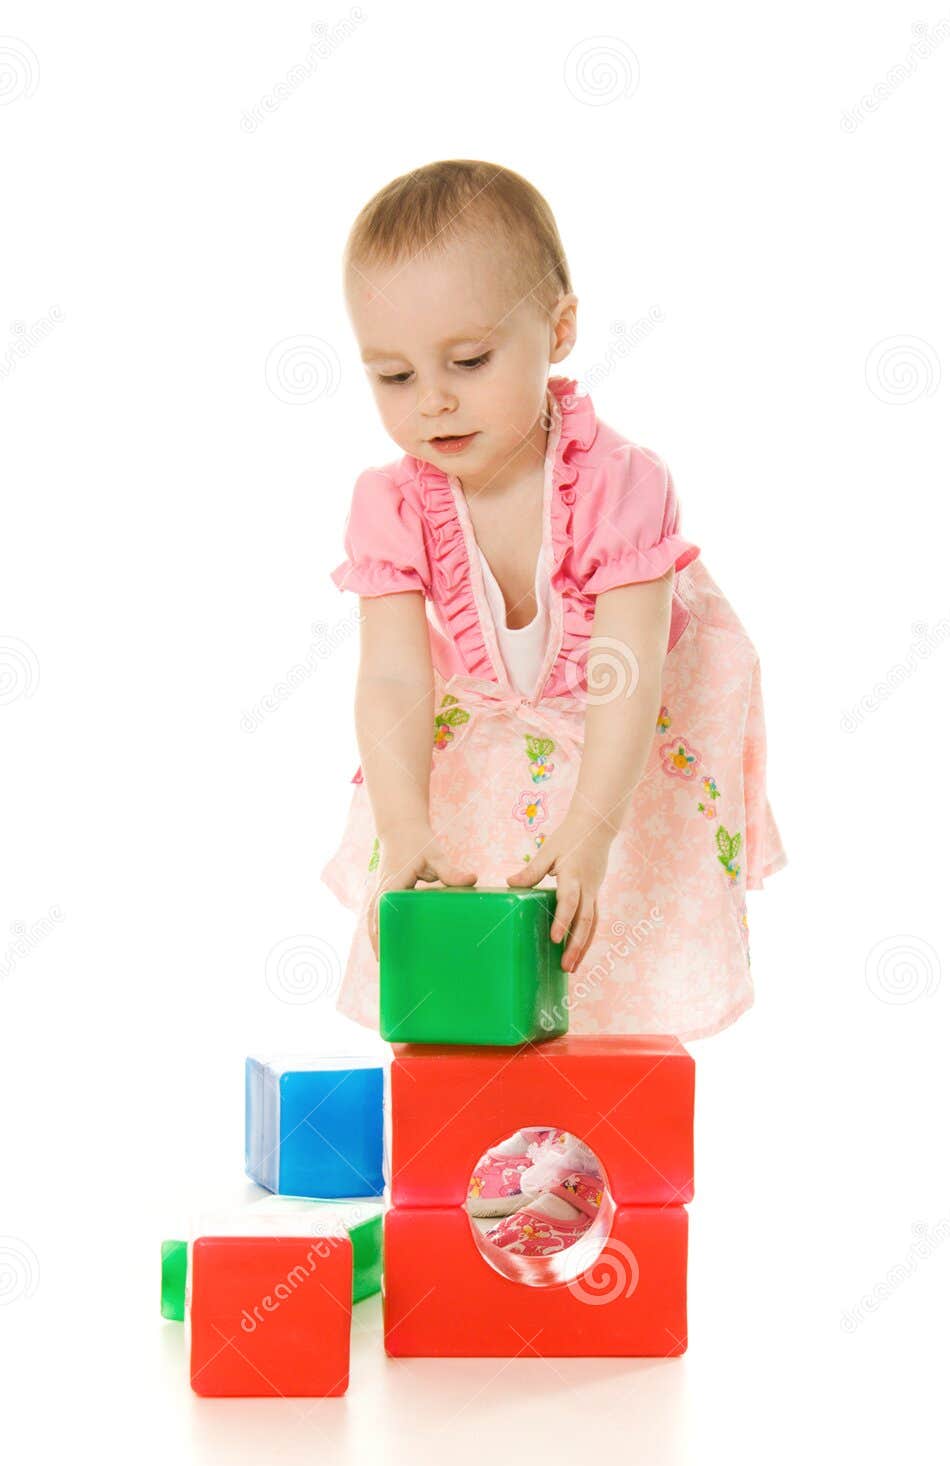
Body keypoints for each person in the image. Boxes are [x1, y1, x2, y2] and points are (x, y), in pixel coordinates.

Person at [321, 160, 788, 1252]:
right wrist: (407, 827)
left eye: (467, 362)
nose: (429, 400)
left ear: (560, 330)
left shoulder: (623, 482)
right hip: (485, 738)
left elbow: (625, 670)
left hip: (622, 739)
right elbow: (392, 678)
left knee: (600, 962)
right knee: (481, 986)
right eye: (391, 376)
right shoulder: (389, 504)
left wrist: (587, 834)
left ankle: (605, 1214)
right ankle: (477, 1208)